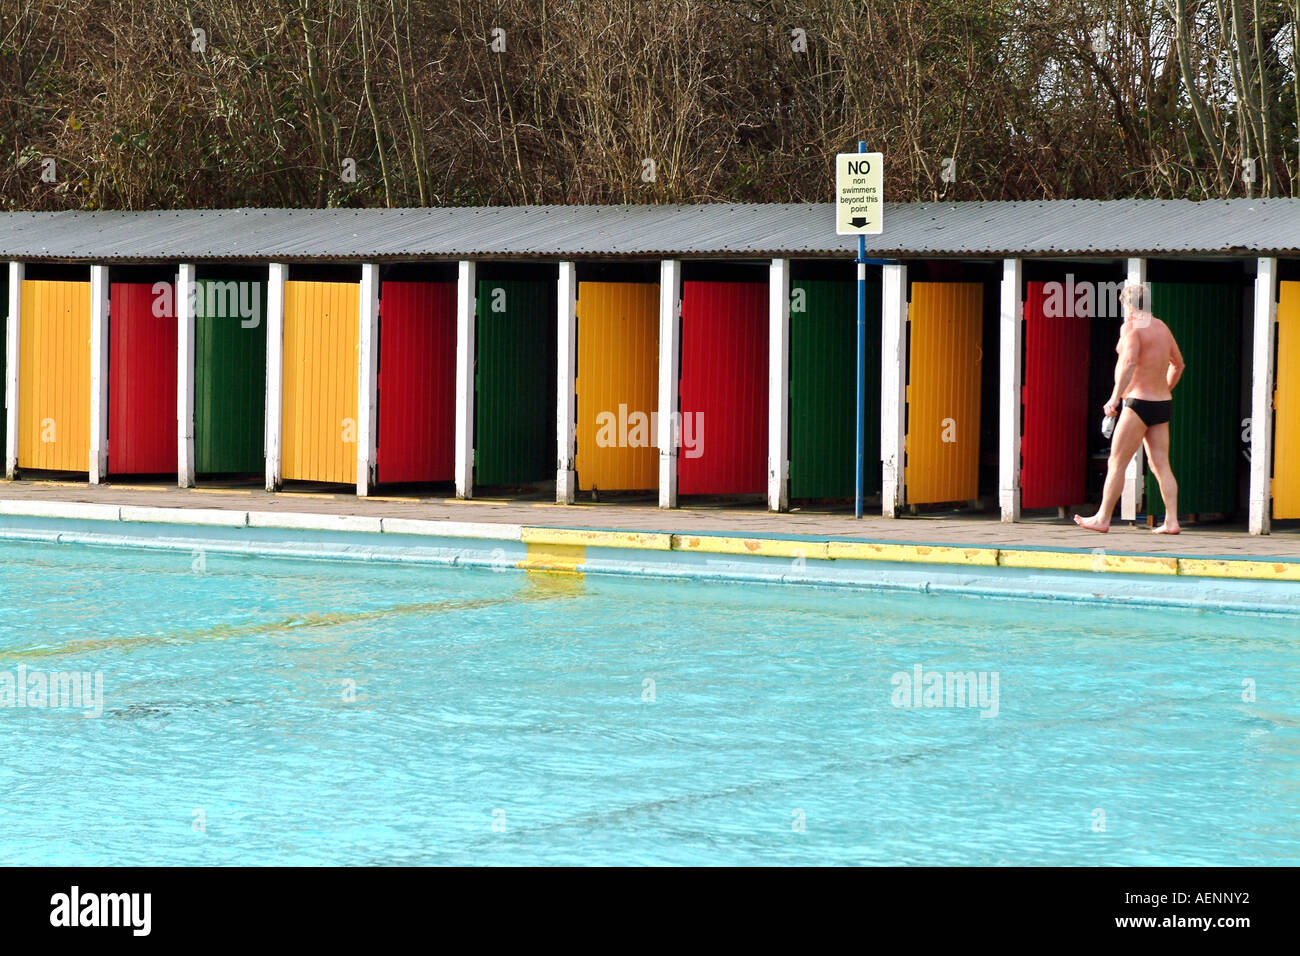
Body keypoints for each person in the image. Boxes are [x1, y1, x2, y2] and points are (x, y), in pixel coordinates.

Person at [1074, 284, 1185, 534]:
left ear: (1129, 304)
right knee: (1161, 465)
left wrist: (1114, 399)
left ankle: (1102, 518)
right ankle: (1172, 520)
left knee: (1117, 461)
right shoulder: (1162, 328)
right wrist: (1164, 389)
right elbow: (1178, 365)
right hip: (1161, 403)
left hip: (1137, 403)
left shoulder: (1132, 327)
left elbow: (1128, 364)